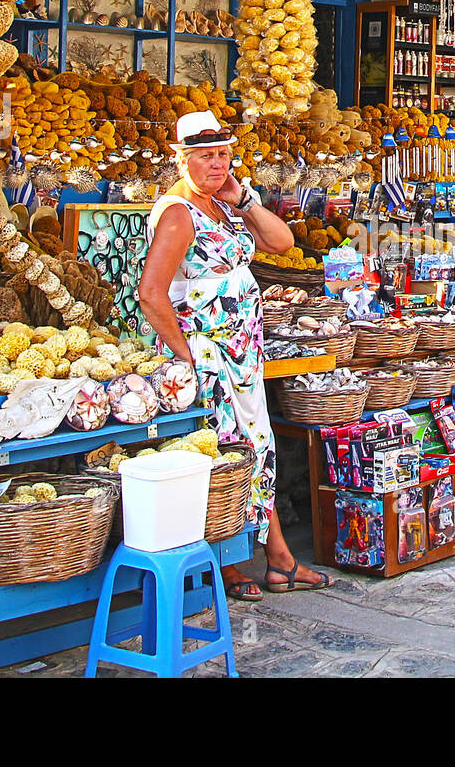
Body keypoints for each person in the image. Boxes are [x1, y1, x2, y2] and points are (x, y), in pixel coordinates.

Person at [139, 111, 332, 601]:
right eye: (204, 156)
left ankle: (274, 557)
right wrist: (189, 357)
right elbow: (152, 294)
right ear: (181, 159)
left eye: (223, 154)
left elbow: (283, 243)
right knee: (224, 454)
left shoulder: (222, 205)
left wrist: (244, 199)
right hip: (208, 356)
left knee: (255, 448)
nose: (216, 164)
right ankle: (233, 562)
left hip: (240, 355)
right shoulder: (179, 212)